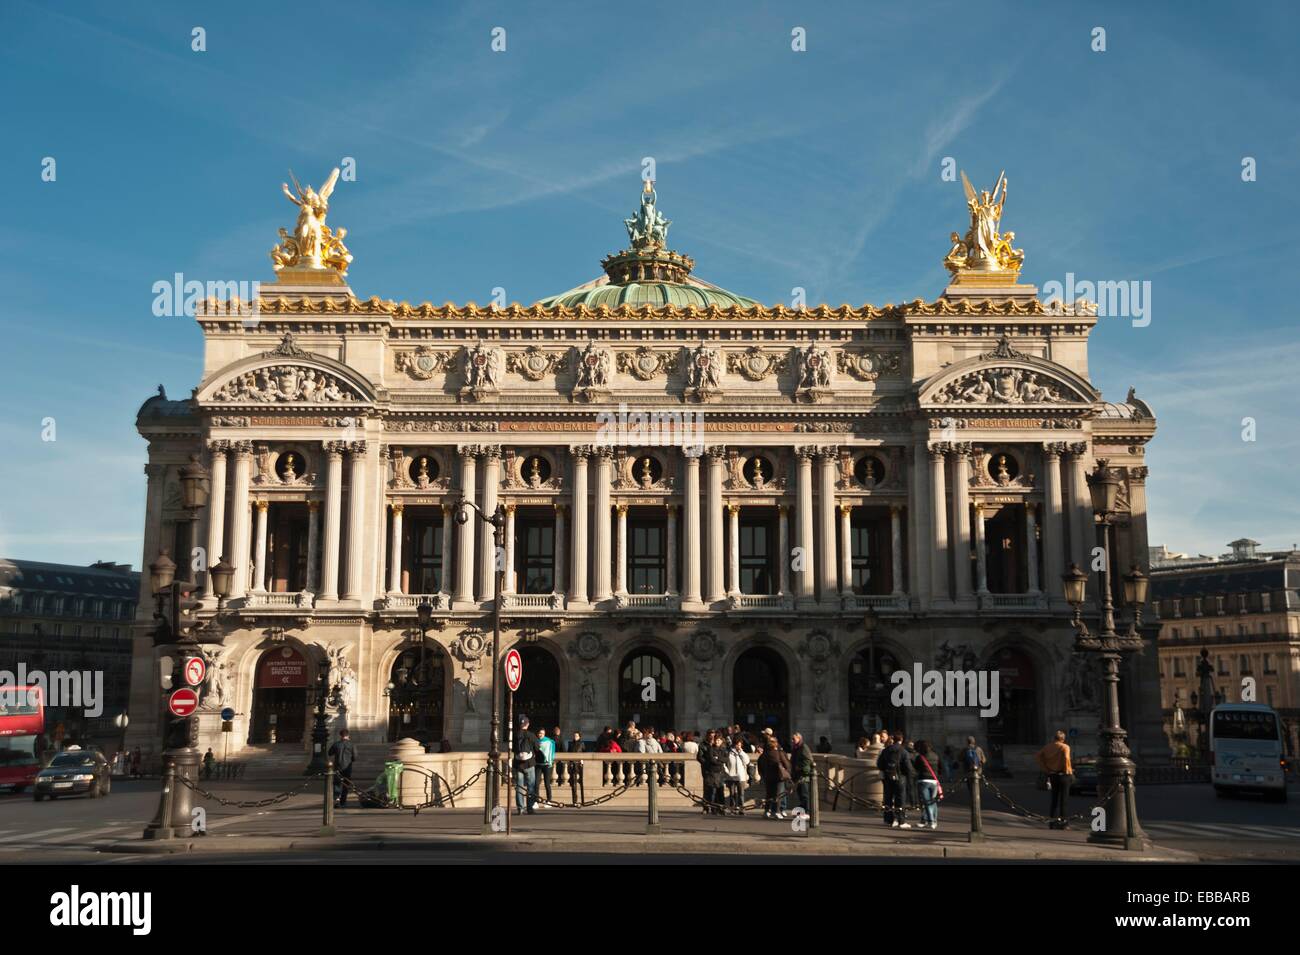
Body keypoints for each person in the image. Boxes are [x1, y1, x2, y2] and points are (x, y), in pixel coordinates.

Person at [1036, 730, 1075, 828]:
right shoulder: (1065, 747)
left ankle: (1052, 823)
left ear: (1054, 738)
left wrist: (1045, 769)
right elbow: (1066, 758)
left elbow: (1037, 756)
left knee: (1054, 799)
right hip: (1064, 775)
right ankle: (1063, 824)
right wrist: (1067, 770)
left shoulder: (1047, 747)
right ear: (1063, 739)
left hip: (1052, 775)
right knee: (1064, 800)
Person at [876, 733, 913, 828]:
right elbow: (908, 767)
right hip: (900, 778)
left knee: (888, 798)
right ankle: (901, 821)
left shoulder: (886, 750)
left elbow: (879, 764)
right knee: (900, 799)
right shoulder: (904, 751)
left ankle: (888, 820)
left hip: (888, 778)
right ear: (901, 740)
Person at [757, 736, 792, 819]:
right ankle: (776, 811)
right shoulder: (779, 753)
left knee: (769, 794)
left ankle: (767, 811)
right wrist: (787, 771)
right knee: (778, 795)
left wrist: (763, 774)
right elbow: (787, 764)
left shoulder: (764, 754)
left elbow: (760, 766)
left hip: (768, 777)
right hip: (778, 777)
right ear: (775, 744)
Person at [913, 739, 943, 830]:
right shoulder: (936, 756)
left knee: (927, 802)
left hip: (923, 780)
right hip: (934, 781)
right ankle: (934, 820)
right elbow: (940, 767)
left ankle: (931, 821)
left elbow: (916, 768)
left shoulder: (920, 757)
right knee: (933, 802)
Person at [513, 715, 539, 814]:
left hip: (518, 764)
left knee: (519, 787)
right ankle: (529, 807)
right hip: (529, 763)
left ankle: (520, 808)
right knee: (530, 786)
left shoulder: (515, 734)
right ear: (527, 724)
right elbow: (537, 748)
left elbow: (512, 748)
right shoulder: (531, 735)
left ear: (520, 724)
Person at [697, 730, 727, 814]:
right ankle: (706, 807)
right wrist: (708, 764)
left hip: (718, 771)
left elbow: (724, 758)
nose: (712, 738)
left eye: (714, 736)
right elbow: (700, 757)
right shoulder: (703, 745)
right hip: (707, 770)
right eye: (711, 736)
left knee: (718, 790)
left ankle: (716, 807)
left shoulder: (719, 747)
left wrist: (717, 761)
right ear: (708, 736)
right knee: (707, 790)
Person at [327, 730, 356, 808]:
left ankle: (336, 800)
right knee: (346, 784)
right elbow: (355, 757)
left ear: (340, 736)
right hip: (347, 768)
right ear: (348, 735)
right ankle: (343, 802)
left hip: (338, 767)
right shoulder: (351, 744)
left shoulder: (336, 744)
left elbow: (329, 753)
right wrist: (350, 760)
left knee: (337, 784)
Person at [723, 737, 751, 814]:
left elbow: (747, 761)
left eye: (740, 745)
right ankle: (733, 807)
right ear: (734, 745)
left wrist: (741, 752)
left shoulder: (742, 753)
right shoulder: (729, 752)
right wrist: (727, 772)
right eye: (737, 745)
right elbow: (724, 763)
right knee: (732, 793)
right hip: (731, 776)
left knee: (741, 793)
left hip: (741, 776)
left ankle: (741, 808)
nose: (739, 746)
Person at [789, 731, 815, 813]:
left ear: (799, 739)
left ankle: (807, 811)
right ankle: (803, 810)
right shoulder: (796, 748)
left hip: (803, 775)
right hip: (797, 775)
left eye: (793, 739)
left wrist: (801, 768)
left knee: (804, 794)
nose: (792, 741)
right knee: (800, 794)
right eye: (791, 739)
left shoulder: (803, 747)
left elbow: (809, 760)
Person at [535, 725, 556, 807]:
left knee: (547, 783)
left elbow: (551, 752)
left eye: (542, 733)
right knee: (536, 783)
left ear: (544, 734)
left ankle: (549, 800)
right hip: (538, 764)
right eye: (539, 733)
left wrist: (550, 761)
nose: (541, 735)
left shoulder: (549, 741)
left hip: (547, 765)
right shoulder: (535, 741)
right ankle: (536, 801)